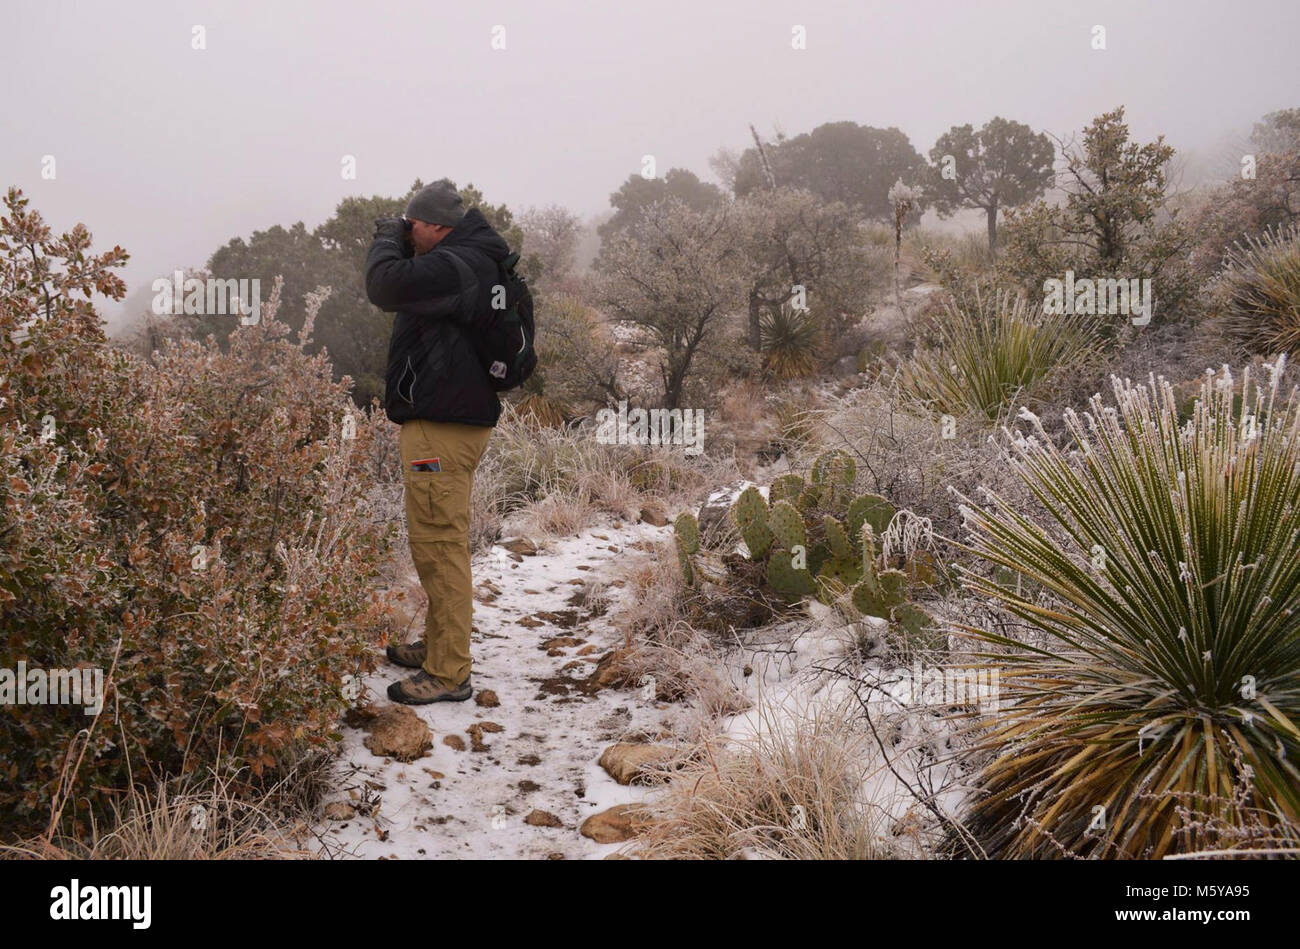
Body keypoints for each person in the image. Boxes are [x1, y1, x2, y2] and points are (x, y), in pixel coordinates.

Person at [365, 179, 509, 704]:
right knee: (435, 542)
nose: (407, 232)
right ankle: (438, 646)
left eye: (412, 224)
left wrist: (385, 240)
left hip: (442, 430)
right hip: (445, 423)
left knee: (440, 546)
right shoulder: (465, 260)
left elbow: (383, 285)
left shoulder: (457, 265)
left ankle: (449, 673)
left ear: (435, 225)